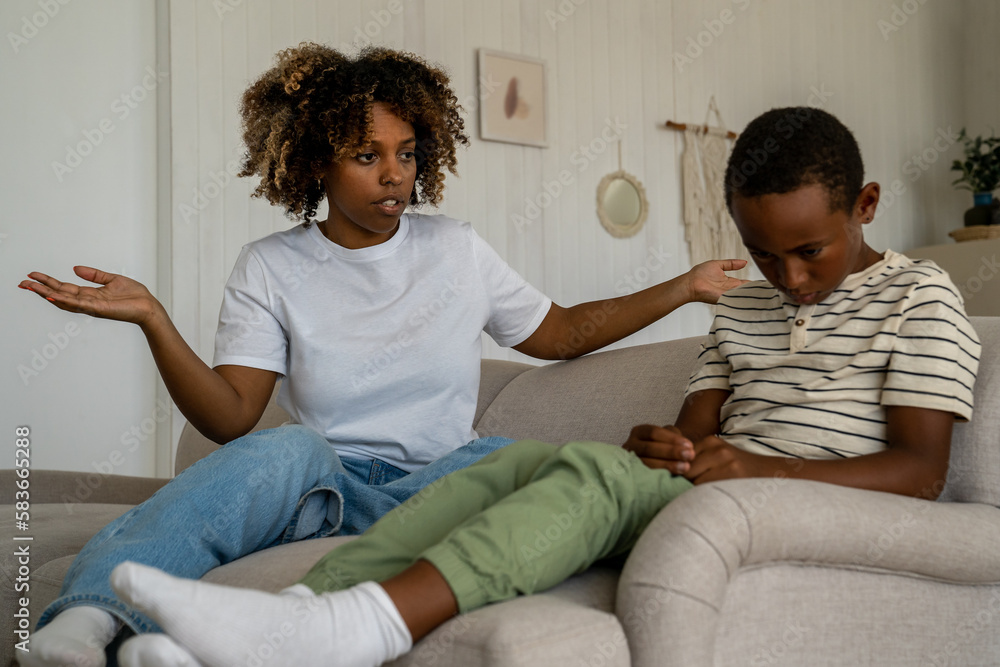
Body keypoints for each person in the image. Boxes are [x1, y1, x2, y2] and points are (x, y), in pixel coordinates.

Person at [105, 105, 982, 667]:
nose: (786, 276)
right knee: (507, 465)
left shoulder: (919, 294)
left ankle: (358, 628)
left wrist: (752, 469)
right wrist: (671, 446)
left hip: (797, 497)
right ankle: (293, 617)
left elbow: (920, 472)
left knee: (584, 472)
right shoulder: (744, 311)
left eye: (810, 252)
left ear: (864, 206)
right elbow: (684, 433)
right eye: (763, 253)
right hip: (722, 488)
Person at [16, 44, 745, 667]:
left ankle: (221, 642)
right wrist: (153, 318)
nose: (394, 174)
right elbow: (231, 416)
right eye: (366, 156)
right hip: (322, 489)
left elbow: (561, 332)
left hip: (438, 481)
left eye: (406, 153)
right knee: (285, 446)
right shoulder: (271, 266)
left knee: (502, 454)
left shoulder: (457, 249)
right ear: (314, 167)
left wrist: (682, 286)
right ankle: (90, 615)